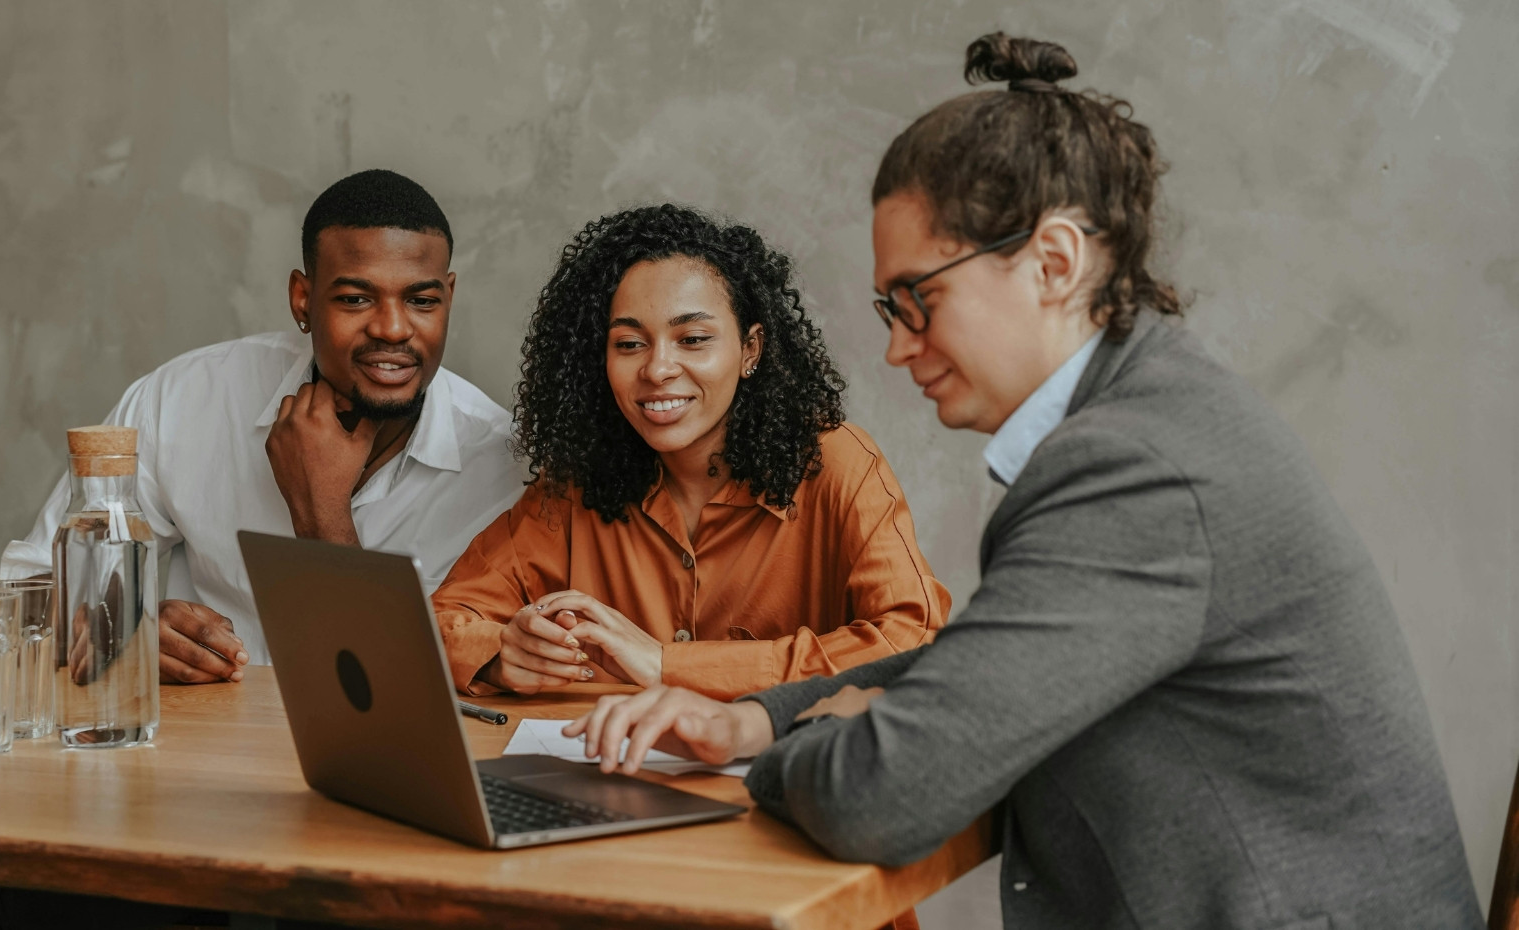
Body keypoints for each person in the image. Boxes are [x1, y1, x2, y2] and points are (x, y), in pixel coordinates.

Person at [567, 34, 1482, 929]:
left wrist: (806, 741)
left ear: (1053, 263)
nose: (896, 346)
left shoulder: (1134, 466)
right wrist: (755, 721)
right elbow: (985, 664)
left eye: (919, 299)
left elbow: (882, 798)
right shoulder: (1152, 415)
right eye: (891, 309)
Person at [0, 169, 526, 684]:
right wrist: (117, 628)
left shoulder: (503, 468)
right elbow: (20, 598)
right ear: (302, 298)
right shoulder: (185, 400)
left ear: (448, 298)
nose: (392, 328)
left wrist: (322, 515)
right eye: (355, 299)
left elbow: (403, 682)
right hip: (198, 757)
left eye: (421, 300)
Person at [434, 204, 950, 701]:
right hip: (611, 779)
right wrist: (503, 652)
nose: (658, 369)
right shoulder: (576, 484)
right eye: (630, 344)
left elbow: (914, 640)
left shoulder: (837, 465)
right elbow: (439, 620)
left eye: (693, 339)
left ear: (751, 349)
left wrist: (666, 665)